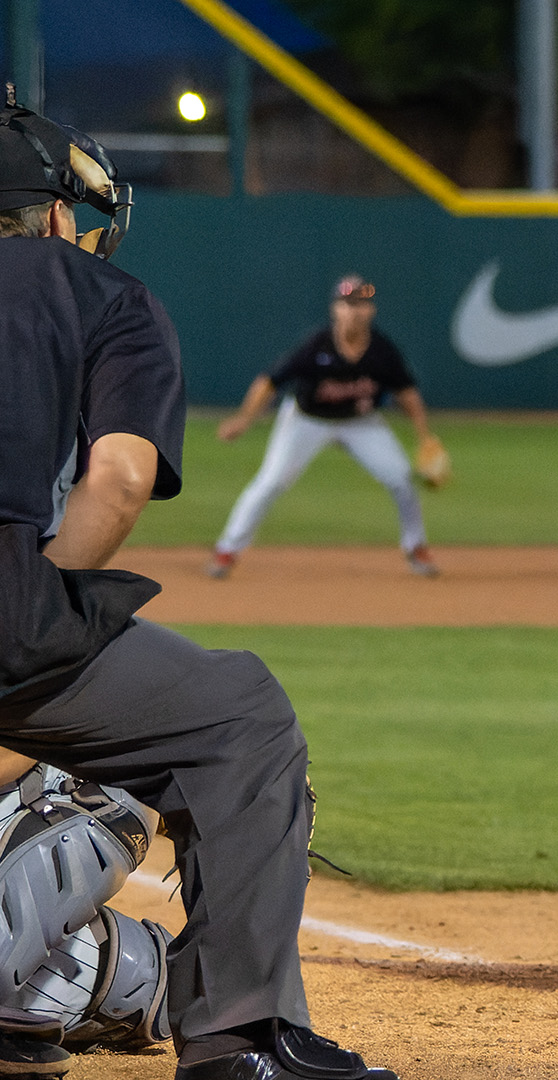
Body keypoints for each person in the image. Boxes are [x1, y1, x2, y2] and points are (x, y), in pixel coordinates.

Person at [0, 92, 398, 1080]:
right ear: (51, 210)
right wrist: (35, 612)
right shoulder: (102, 295)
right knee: (240, 720)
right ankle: (238, 1039)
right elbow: (122, 478)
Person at [207, 274, 440, 579]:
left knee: (400, 478)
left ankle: (416, 546)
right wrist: (244, 419)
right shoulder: (317, 345)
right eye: (348, 303)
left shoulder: (382, 350)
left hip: (361, 423)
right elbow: (270, 381)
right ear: (336, 309)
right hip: (307, 420)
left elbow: (406, 392)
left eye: (362, 304)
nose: (355, 310)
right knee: (271, 482)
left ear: (372, 310)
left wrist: (424, 436)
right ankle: (227, 550)